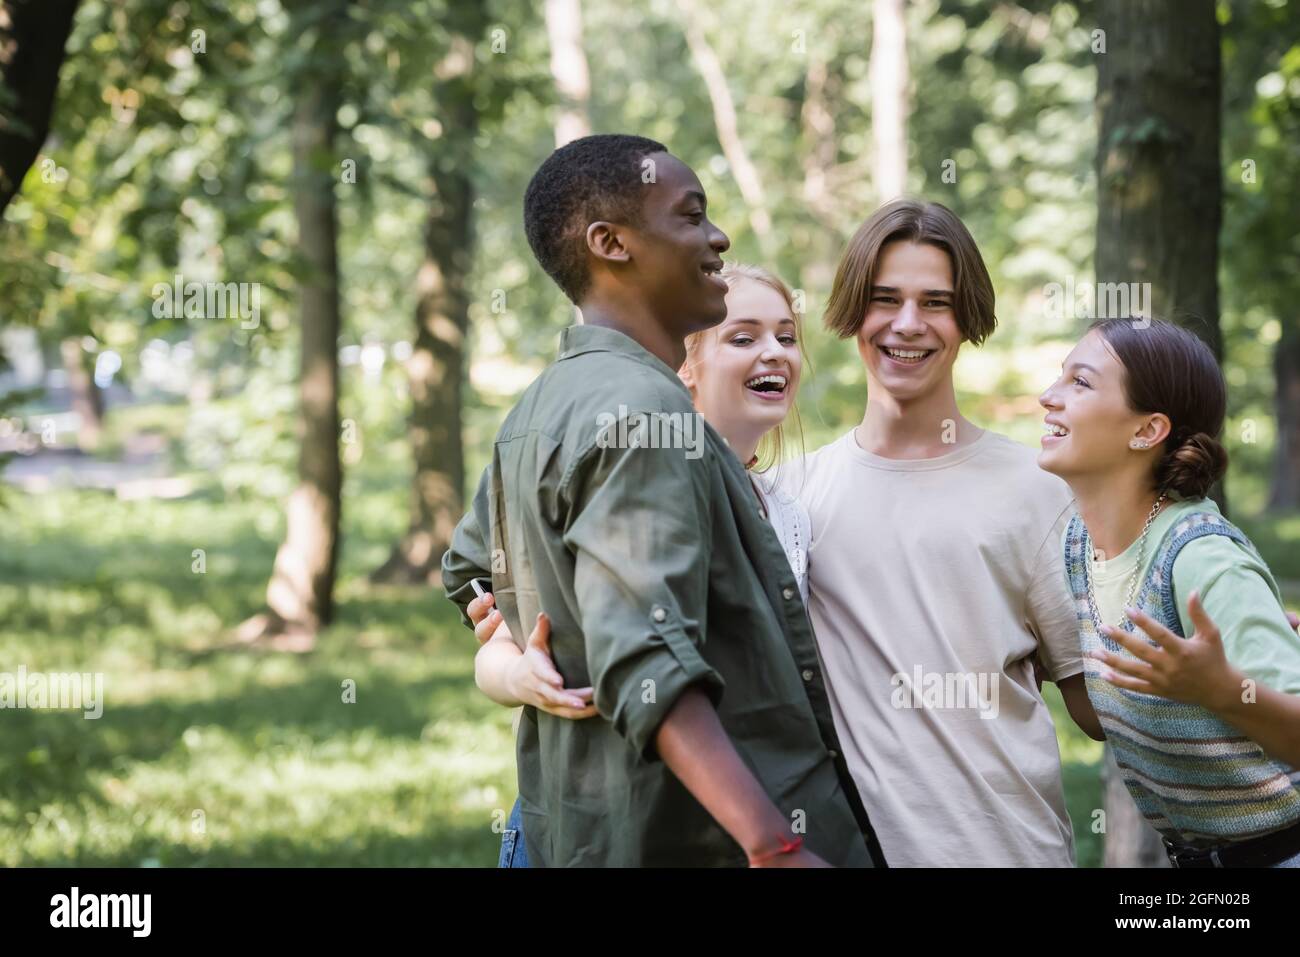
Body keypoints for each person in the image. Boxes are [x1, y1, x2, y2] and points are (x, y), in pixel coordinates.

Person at [441, 134, 877, 867]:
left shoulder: (539, 407)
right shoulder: (650, 413)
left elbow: (468, 570)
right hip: (688, 840)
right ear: (611, 244)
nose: (718, 235)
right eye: (691, 215)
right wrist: (773, 844)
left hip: (576, 831)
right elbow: (646, 654)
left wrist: (518, 619)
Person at [777, 198, 1104, 868]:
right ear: (851, 311)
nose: (907, 324)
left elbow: (1098, 708)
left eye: (935, 302)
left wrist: (1217, 651)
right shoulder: (789, 498)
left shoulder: (1037, 491)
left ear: (965, 319)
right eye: (885, 298)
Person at [471, 262, 822, 865]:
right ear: (685, 368)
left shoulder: (790, 511)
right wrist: (520, 677)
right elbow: (500, 640)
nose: (774, 353)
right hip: (615, 821)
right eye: (743, 338)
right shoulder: (635, 473)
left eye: (786, 336)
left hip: (738, 810)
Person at [1038, 317, 1300, 868]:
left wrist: (1222, 690)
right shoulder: (1080, 545)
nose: (1048, 397)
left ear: (1146, 430)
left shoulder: (1202, 558)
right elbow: (1102, 719)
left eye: (1079, 383)